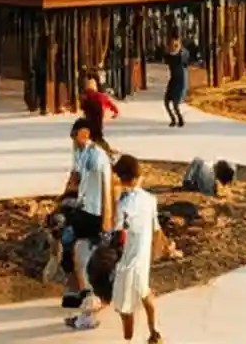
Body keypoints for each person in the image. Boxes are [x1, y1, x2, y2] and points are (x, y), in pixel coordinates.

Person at [69, 155, 175, 340]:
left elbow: (116, 233)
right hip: (142, 258)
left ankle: (128, 339)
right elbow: (156, 229)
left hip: (127, 262)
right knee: (145, 293)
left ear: (121, 177)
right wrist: (165, 248)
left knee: (125, 310)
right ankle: (154, 332)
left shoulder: (124, 205)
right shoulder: (150, 199)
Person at [60, 118, 113, 309]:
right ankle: (77, 289)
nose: (73, 140)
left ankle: (89, 291)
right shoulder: (80, 152)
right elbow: (74, 177)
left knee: (86, 250)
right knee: (68, 242)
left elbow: (106, 187)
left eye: (75, 136)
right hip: (83, 207)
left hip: (95, 211)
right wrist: (63, 199)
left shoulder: (97, 156)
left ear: (85, 133)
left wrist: (107, 218)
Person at [79, 73, 119, 151]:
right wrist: (115, 111)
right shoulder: (101, 95)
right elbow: (110, 103)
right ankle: (101, 148)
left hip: (90, 117)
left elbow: (82, 107)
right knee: (96, 133)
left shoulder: (85, 96)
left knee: (92, 134)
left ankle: (102, 148)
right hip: (99, 116)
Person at [162, 35, 191, 128]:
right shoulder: (169, 56)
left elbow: (185, 57)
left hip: (180, 81)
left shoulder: (183, 54)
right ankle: (173, 119)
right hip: (173, 81)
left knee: (175, 104)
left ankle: (180, 119)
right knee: (166, 102)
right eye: (172, 45)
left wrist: (180, 49)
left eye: (176, 45)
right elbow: (166, 58)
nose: (173, 47)